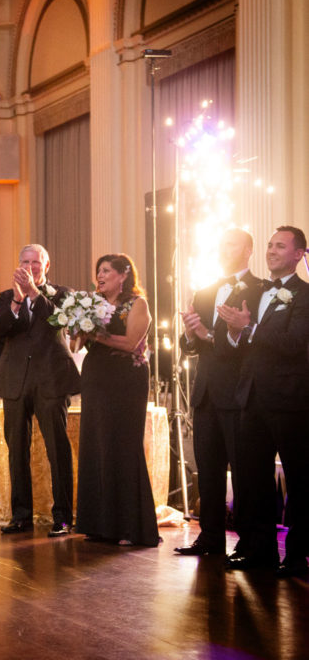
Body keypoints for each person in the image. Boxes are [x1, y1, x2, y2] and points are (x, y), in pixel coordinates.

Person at [218, 226, 309, 578]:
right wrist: (234, 331)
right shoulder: (254, 291)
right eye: (270, 245)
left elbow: (295, 343)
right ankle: (258, 549)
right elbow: (240, 349)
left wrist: (250, 328)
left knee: (299, 482)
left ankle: (298, 555)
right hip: (251, 396)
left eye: (280, 246)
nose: (271, 251)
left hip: (289, 400)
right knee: (252, 479)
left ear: (299, 254)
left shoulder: (303, 295)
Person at [176, 229, 262, 556]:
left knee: (244, 472)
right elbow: (191, 350)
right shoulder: (204, 292)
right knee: (208, 471)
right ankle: (209, 536)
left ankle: (249, 541)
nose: (226, 249)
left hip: (240, 394)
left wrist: (206, 333)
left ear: (248, 250)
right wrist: (189, 334)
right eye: (222, 244)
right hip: (206, 393)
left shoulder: (260, 290)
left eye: (233, 244)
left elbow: (248, 346)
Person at [0, 244, 78, 537]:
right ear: (18, 264)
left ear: (47, 265)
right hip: (15, 380)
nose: (30, 266)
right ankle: (20, 516)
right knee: (16, 450)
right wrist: (16, 303)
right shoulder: (7, 296)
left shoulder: (62, 293)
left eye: (36, 262)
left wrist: (32, 293)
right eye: (25, 261)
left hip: (51, 378)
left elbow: (58, 320)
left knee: (57, 449)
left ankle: (63, 517)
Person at [76, 253, 159, 547]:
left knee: (122, 446)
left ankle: (131, 527)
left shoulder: (137, 304)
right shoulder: (93, 304)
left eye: (107, 270)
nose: (100, 275)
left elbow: (131, 342)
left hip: (126, 380)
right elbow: (77, 343)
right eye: (98, 270)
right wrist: (76, 328)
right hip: (96, 378)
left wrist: (94, 334)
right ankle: (99, 525)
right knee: (96, 445)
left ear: (123, 275)